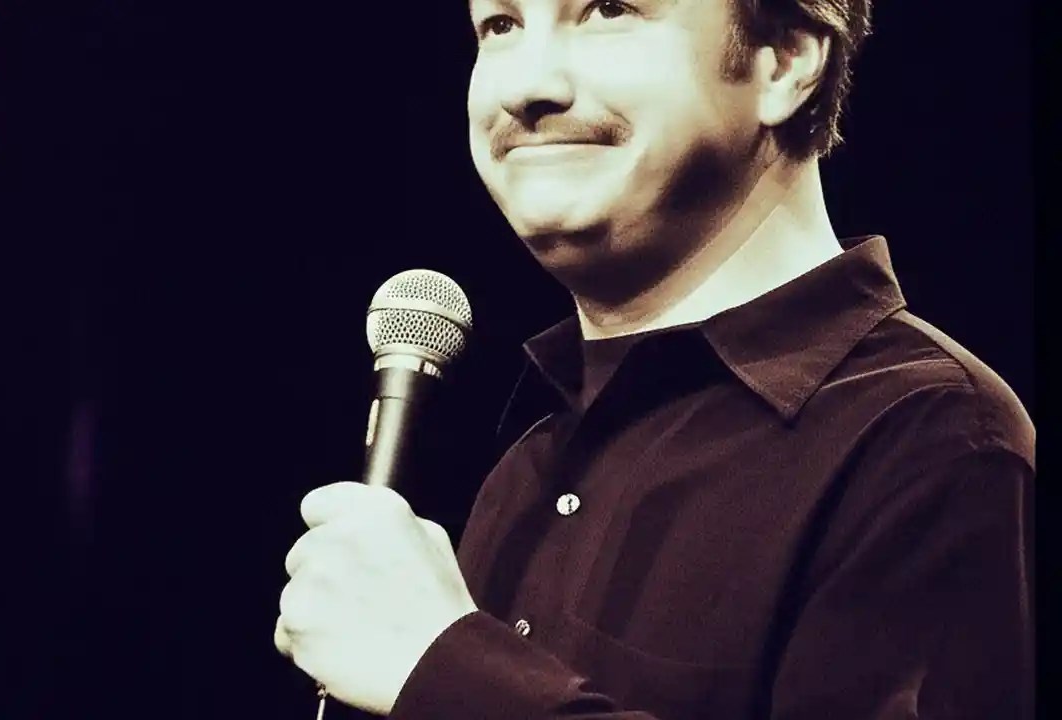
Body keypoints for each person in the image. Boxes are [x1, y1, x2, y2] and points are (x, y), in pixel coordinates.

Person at [273, 0, 1035, 717]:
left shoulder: (930, 434)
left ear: (784, 58)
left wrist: (444, 669)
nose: (526, 87)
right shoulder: (526, 467)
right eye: (501, 24)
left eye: (608, 9)